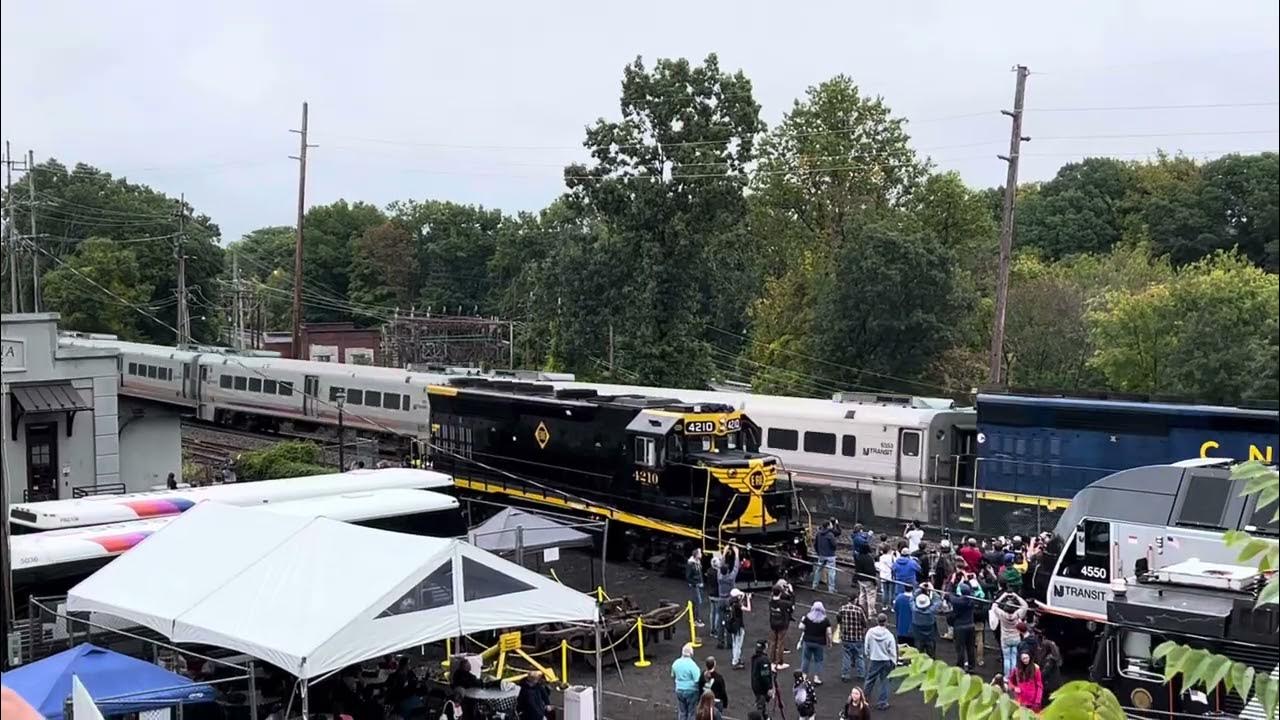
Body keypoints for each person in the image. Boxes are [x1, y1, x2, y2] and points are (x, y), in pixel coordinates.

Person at [863, 613, 898, 711]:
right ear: (886, 622)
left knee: (870, 680)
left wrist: (868, 654)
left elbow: (867, 645)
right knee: (885, 682)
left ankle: (864, 699)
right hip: (886, 660)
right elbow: (892, 650)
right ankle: (882, 702)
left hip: (874, 659)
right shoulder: (889, 635)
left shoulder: (870, 632)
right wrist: (894, 662)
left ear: (877, 621)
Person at [993, 591, 1030, 676]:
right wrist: (1016, 596)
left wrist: (1003, 596)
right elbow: (1025, 606)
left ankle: (1007, 677)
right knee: (1014, 658)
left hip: (1005, 639)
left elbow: (994, 605)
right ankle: (1014, 676)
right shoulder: (1017, 614)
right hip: (1016, 638)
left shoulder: (1001, 614)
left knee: (1006, 659)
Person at [799, 601, 832, 684]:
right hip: (819, 643)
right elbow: (829, 633)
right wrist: (830, 642)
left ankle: (804, 676)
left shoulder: (808, 617)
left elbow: (801, 627)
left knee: (806, 659)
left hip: (808, 641)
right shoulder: (825, 620)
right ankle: (816, 678)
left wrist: (803, 621)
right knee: (818, 660)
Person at [836, 592, 868, 682]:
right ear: (855, 600)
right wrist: (862, 633)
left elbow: (838, 620)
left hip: (846, 637)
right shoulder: (859, 610)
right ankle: (861, 674)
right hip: (857, 637)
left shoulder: (842, 609)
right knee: (859, 656)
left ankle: (845, 675)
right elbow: (865, 623)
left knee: (846, 656)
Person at [716, 546, 743, 647]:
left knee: (720, 621)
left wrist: (724, 553)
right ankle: (729, 643)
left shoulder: (719, 577)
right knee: (729, 620)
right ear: (728, 571)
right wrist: (736, 554)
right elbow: (736, 567)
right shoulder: (731, 578)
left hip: (720, 599)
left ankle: (720, 641)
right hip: (728, 600)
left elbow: (720, 565)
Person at [948, 582, 977, 671]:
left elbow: (950, 596)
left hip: (960, 627)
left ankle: (960, 665)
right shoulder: (972, 599)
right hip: (971, 625)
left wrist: (951, 585)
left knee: (960, 648)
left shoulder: (958, 602)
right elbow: (972, 590)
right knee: (970, 647)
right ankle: (971, 666)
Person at [767, 580, 795, 667]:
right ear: (780, 593)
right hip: (782, 624)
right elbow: (792, 604)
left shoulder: (770, 601)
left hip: (773, 623)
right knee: (780, 643)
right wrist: (791, 592)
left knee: (772, 642)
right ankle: (779, 662)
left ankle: (771, 660)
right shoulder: (783, 603)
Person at [672, 643, 703, 720]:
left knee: (682, 711)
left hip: (679, 689)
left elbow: (673, 675)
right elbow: (697, 680)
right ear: (691, 653)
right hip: (691, 690)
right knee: (691, 712)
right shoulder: (693, 665)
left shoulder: (676, 663)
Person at [910, 587, 942, 658]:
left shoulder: (915, 610)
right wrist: (933, 590)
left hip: (918, 638)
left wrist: (919, 588)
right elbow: (938, 601)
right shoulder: (931, 611)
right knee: (931, 656)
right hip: (930, 638)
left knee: (918, 657)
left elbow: (911, 599)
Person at [725, 588, 751, 667]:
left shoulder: (730, 602)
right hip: (739, 626)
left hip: (733, 626)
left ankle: (736, 658)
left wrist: (743, 596)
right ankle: (735, 661)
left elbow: (741, 596)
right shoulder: (737, 605)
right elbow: (748, 609)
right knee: (738, 645)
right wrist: (748, 599)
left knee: (735, 643)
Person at [811, 520, 840, 594]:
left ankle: (814, 585)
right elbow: (834, 545)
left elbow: (815, 544)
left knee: (818, 570)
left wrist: (818, 552)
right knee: (831, 572)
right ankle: (831, 589)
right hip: (830, 555)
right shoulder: (830, 534)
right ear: (828, 525)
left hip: (821, 555)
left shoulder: (818, 533)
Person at [750, 640, 775, 719]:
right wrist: (769, 687)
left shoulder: (755, 657)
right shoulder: (764, 659)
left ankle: (764, 715)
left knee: (761, 703)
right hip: (761, 687)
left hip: (755, 684)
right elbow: (765, 675)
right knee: (761, 704)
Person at [1035, 628, 1063, 697]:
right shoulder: (1053, 657)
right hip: (1054, 683)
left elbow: (1045, 672)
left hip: (1050, 684)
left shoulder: (1050, 660)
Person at [853, 544, 878, 613]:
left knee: (862, 594)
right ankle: (871, 612)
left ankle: (862, 609)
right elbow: (871, 571)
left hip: (861, 579)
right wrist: (874, 580)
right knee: (871, 596)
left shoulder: (858, 557)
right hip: (868, 579)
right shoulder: (869, 558)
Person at [687, 549, 706, 628]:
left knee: (695, 602)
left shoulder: (698, 562)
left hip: (698, 585)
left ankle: (692, 617)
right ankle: (697, 620)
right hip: (695, 586)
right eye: (700, 553)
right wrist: (696, 583)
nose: (701, 554)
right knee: (698, 602)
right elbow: (688, 576)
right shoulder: (691, 564)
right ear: (696, 555)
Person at [875, 544, 897, 610]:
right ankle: (892, 607)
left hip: (883, 576)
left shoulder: (881, 558)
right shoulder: (892, 557)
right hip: (891, 576)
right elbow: (895, 565)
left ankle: (884, 606)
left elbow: (879, 566)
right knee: (892, 592)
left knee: (885, 591)